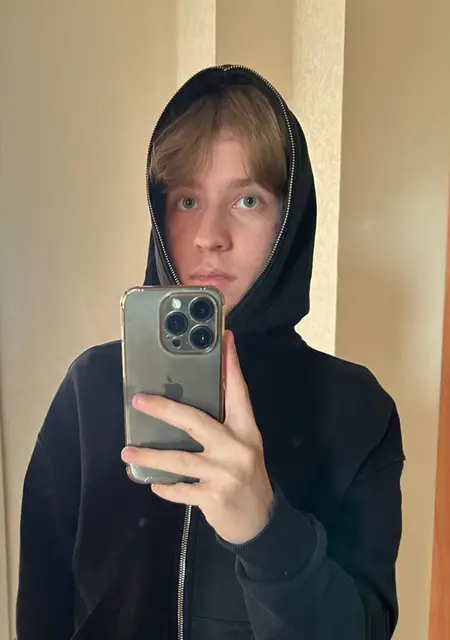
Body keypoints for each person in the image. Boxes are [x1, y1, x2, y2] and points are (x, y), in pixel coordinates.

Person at [16, 65, 404, 640]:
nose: (209, 236)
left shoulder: (357, 410)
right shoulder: (92, 387)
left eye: (247, 199)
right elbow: (42, 608)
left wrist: (266, 533)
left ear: (290, 220)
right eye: (187, 200)